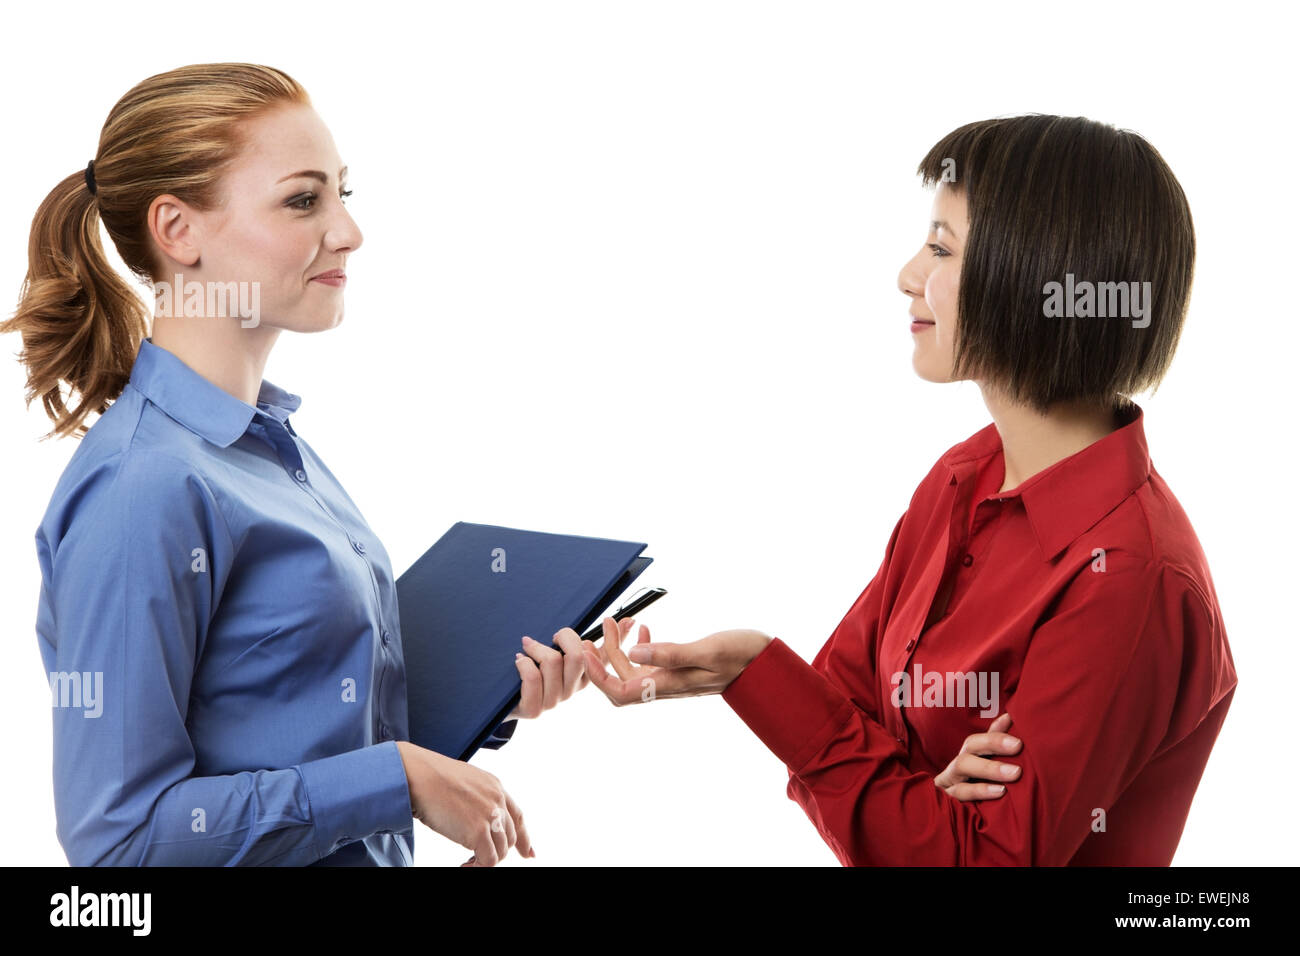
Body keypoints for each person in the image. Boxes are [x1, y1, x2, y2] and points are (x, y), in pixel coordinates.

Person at [3, 62, 629, 867]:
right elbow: (121, 846)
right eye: (303, 200)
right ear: (178, 231)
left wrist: (485, 699)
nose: (347, 231)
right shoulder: (145, 486)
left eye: (343, 194)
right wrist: (394, 777)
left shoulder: (271, 447)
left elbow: (287, 716)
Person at [582, 114, 1239, 866]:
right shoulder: (967, 475)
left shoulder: (1129, 577)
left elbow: (961, 851)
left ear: (1034, 276)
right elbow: (847, 710)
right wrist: (761, 676)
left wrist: (922, 813)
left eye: (941, 248)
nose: (906, 275)